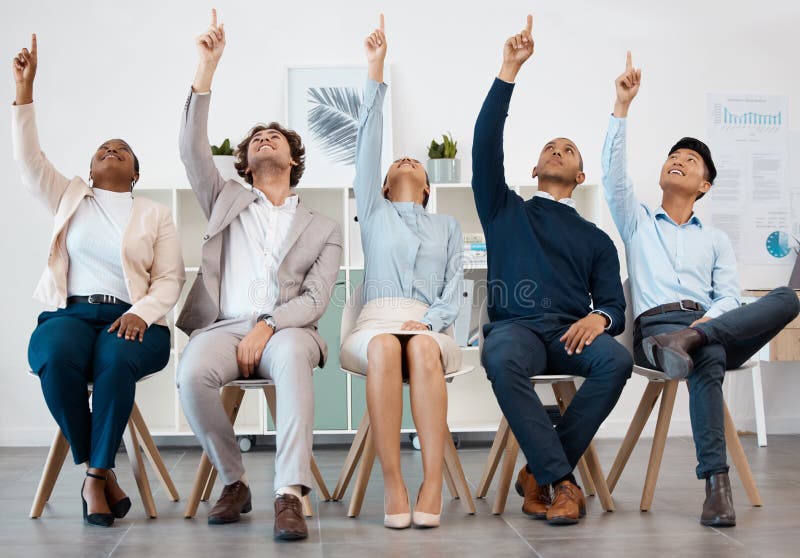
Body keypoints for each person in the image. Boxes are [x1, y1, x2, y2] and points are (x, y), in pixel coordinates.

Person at [602, 51, 800, 527]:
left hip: (707, 326)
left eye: (689, 160)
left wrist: (706, 325)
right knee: (707, 358)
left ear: (704, 186)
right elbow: (611, 176)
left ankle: (695, 340)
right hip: (657, 334)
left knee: (786, 298)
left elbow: (729, 297)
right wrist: (622, 106)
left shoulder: (715, 239)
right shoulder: (637, 222)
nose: (678, 161)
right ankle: (716, 486)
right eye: (674, 156)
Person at [176, 10, 343, 541]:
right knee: (191, 374)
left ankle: (288, 494)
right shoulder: (224, 199)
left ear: (295, 159)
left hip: (288, 330)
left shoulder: (324, 225)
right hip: (224, 326)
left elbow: (316, 299)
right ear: (244, 164)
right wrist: (206, 67)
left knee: (293, 355)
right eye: (257, 139)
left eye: (277, 137)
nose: (266, 139)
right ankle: (234, 481)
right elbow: (190, 149)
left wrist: (269, 323)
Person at [14, 34, 185, 527]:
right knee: (51, 354)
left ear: (134, 173)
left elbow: (170, 280)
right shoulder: (70, 197)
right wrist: (24, 92)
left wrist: (140, 313)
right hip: (71, 312)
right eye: (103, 150)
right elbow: (28, 161)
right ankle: (100, 472)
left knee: (114, 362)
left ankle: (94, 477)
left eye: (123, 150)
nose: (112, 151)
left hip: (133, 319)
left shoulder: (155, 213)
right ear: (90, 170)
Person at [472, 15, 632, 526]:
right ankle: (560, 481)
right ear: (535, 170)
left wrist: (601, 320)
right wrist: (508, 71)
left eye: (567, 149)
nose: (556, 149)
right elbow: (484, 145)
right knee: (500, 357)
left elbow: (613, 304)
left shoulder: (597, 238)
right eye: (549, 148)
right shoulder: (503, 208)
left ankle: (540, 472)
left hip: (570, 332)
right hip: (515, 329)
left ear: (580, 174)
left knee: (617, 362)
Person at [339, 15, 464, 530]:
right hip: (373, 323)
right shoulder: (374, 212)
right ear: (385, 186)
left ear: (428, 187)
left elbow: (455, 288)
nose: (406, 161)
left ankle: (430, 480)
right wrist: (375, 69)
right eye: (396, 165)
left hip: (431, 323)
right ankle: (393, 482)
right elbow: (367, 145)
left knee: (419, 346)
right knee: (389, 346)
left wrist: (431, 322)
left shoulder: (447, 226)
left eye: (415, 162)